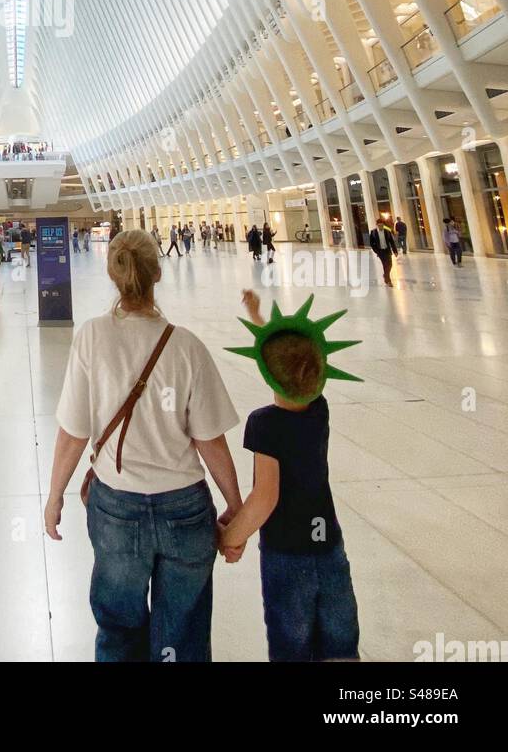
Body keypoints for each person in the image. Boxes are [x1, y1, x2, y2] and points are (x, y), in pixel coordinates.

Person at [44, 229, 242, 663]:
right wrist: (235, 504)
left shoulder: (92, 338)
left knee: (118, 629)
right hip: (185, 511)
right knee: (184, 634)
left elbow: (74, 433)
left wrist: (55, 495)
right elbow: (210, 440)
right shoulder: (186, 345)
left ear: (113, 275)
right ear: (157, 272)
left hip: (117, 508)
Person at [219, 290, 361, 663]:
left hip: (287, 555)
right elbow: (291, 360)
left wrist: (229, 537)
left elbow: (265, 497)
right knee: (340, 644)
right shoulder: (319, 408)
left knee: (291, 646)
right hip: (329, 547)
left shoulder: (265, 424)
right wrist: (257, 315)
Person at [368, 217, 398, 287]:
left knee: (390, 265)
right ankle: (388, 280)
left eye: (382, 225)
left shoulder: (387, 232)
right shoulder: (373, 233)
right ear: (377, 225)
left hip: (387, 250)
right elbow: (371, 243)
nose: (381, 227)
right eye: (379, 225)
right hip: (381, 252)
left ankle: (385, 275)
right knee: (385, 265)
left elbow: (392, 242)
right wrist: (376, 251)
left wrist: (395, 251)